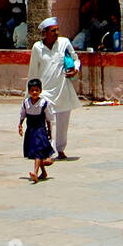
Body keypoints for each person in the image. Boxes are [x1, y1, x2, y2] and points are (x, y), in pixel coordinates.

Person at [28, 17, 80, 159]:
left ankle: (61, 149)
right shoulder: (37, 48)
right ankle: (47, 151)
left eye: (57, 30)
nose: (56, 33)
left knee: (63, 122)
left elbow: (76, 58)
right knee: (47, 123)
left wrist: (75, 68)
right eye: (53, 31)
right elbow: (33, 71)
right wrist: (31, 94)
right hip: (45, 91)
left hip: (63, 88)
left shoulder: (64, 43)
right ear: (45, 33)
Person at [19, 78, 56, 182]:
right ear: (29, 91)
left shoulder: (44, 103)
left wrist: (49, 131)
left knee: (38, 151)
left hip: (40, 130)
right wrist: (20, 126)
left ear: (40, 90)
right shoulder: (26, 103)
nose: (34, 92)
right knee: (36, 152)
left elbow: (48, 118)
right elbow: (22, 115)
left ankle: (35, 173)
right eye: (32, 90)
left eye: (37, 90)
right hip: (30, 130)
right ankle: (43, 172)